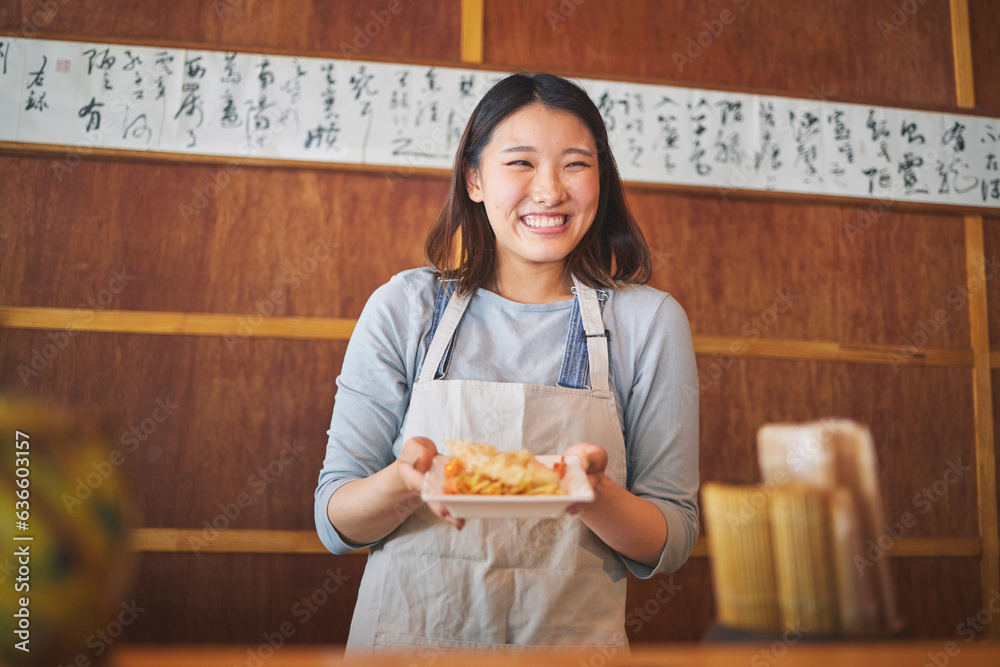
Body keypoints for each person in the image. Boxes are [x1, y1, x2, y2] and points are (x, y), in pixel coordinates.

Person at [314, 72, 699, 655]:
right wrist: (406, 483)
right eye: (520, 163)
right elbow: (335, 520)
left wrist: (592, 493)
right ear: (474, 178)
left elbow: (671, 537)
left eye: (575, 164)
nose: (549, 191)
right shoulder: (405, 308)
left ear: (601, 178)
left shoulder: (649, 323)